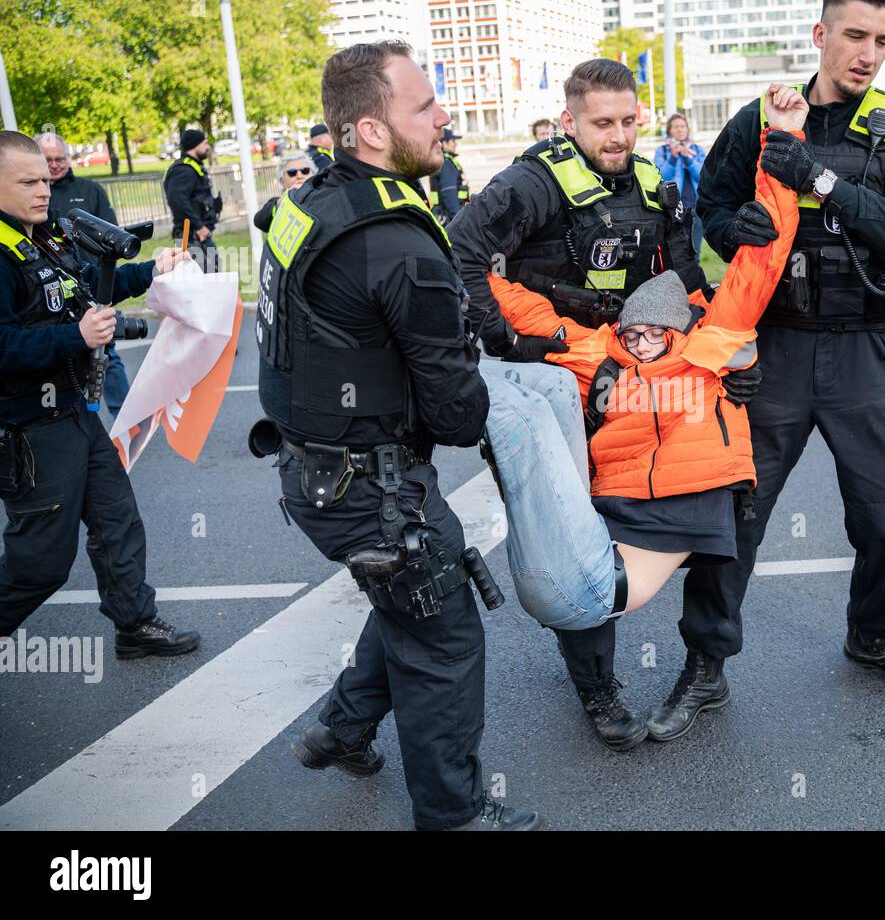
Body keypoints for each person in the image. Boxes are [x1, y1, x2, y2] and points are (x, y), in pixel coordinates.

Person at [252, 41, 539, 831]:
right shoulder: (402, 243)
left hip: (313, 471)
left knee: (408, 605)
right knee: (444, 639)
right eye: (424, 107)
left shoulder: (308, 202)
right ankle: (452, 816)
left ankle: (341, 731)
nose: (444, 118)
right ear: (371, 132)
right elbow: (458, 417)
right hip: (373, 491)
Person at [687, 0, 885, 744]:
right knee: (733, 516)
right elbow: (710, 206)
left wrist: (822, 181)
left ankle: (875, 637)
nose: (868, 54)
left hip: (867, 349)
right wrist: (741, 235)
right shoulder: (763, 119)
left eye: (882, 42)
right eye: (856, 35)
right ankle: (704, 666)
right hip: (774, 350)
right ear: (821, 35)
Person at [448, 58, 710, 751]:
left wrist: (718, 358)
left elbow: (690, 281)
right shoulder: (534, 181)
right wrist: (508, 337)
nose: (619, 135)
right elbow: (463, 250)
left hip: (628, 382)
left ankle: (705, 662)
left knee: (695, 499)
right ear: (569, 122)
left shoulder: (655, 185)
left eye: (629, 120)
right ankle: (596, 688)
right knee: (569, 532)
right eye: (602, 123)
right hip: (553, 386)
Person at [479, 101, 802, 638]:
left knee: (586, 596)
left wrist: (781, 142)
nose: (646, 342)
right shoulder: (601, 353)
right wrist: (461, 254)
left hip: (691, 499)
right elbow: (524, 308)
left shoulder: (708, 344)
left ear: (680, 331)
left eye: (659, 333)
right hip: (617, 507)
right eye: (636, 333)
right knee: (516, 393)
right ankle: (591, 674)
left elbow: (761, 264)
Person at [0, 129, 201, 655]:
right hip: (30, 429)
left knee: (118, 523)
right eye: (28, 181)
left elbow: (88, 282)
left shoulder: (41, 235)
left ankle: (135, 624)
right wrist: (76, 336)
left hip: (77, 414)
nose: (44, 190)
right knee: (40, 563)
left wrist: (152, 270)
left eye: (46, 178)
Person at [37, 130, 131, 416]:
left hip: (90, 287)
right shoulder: (30, 199)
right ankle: (76, 416)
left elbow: (113, 233)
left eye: (59, 159)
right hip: (48, 297)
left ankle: (125, 415)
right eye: (47, 160)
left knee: (107, 354)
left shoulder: (90, 190)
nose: (54, 165)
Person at [163, 128, 220, 270]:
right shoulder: (183, 170)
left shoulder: (192, 166)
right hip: (192, 236)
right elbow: (177, 201)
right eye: (205, 143)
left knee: (214, 275)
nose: (208, 147)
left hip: (198, 234)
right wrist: (199, 226)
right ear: (196, 145)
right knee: (202, 280)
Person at [654, 112, 706, 254]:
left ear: (687, 129)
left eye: (682, 126)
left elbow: (704, 176)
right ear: (670, 130)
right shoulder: (663, 151)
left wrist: (688, 159)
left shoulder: (696, 150)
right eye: (675, 127)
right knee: (673, 252)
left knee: (694, 251)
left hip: (695, 208)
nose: (679, 129)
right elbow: (660, 177)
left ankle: (693, 276)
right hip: (673, 209)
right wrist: (673, 158)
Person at [251, 151, 315, 233]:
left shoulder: (323, 197)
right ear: (282, 181)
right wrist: (286, 199)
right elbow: (259, 221)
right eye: (292, 172)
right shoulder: (278, 202)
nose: (299, 176)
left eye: (305, 170)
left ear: (313, 174)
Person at [432, 126, 469, 224]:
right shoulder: (447, 163)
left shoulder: (442, 161)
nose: (455, 144)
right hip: (448, 216)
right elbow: (449, 192)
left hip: (443, 214)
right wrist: (458, 220)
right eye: (453, 141)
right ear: (444, 143)